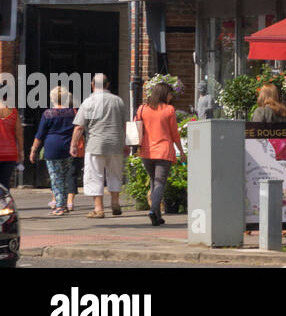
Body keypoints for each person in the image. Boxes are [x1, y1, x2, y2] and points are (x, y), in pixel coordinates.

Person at [71, 74, 129, 219]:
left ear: (92, 84)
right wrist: (126, 143)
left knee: (94, 175)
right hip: (116, 144)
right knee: (115, 174)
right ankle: (115, 203)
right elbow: (125, 124)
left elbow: (79, 127)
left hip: (95, 145)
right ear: (107, 84)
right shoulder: (118, 101)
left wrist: (73, 145)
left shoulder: (88, 102)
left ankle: (98, 209)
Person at [136, 81, 184, 226]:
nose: (171, 97)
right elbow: (174, 133)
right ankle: (153, 210)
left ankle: (157, 216)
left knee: (153, 181)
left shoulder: (142, 109)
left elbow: (136, 127)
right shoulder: (169, 110)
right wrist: (181, 150)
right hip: (163, 151)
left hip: (146, 151)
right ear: (164, 94)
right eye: (170, 94)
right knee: (160, 183)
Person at [30, 86, 77, 215]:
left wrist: (33, 150)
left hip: (52, 148)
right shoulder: (72, 113)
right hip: (68, 148)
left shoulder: (48, 114)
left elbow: (39, 135)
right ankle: (65, 204)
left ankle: (60, 206)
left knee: (56, 178)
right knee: (64, 177)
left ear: (52, 99)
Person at [0, 100, 22, 190]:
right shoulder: (13, 111)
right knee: (5, 183)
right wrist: (21, 151)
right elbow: (19, 134)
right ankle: (6, 203)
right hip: (10, 153)